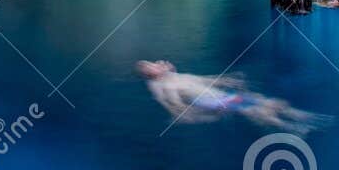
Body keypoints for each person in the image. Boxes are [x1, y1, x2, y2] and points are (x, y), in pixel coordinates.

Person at [135, 60, 327, 132]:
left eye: (152, 63)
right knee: (256, 109)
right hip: (212, 101)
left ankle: (303, 118)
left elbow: (200, 80)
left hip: (218, 94)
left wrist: (225, 79)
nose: (156, 64)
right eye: (151, 66)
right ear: (150, 73)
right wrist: (202, 116)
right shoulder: (161, 86)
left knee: (261, 101)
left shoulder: (171, 75)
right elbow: (176, 107)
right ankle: (293, 127)